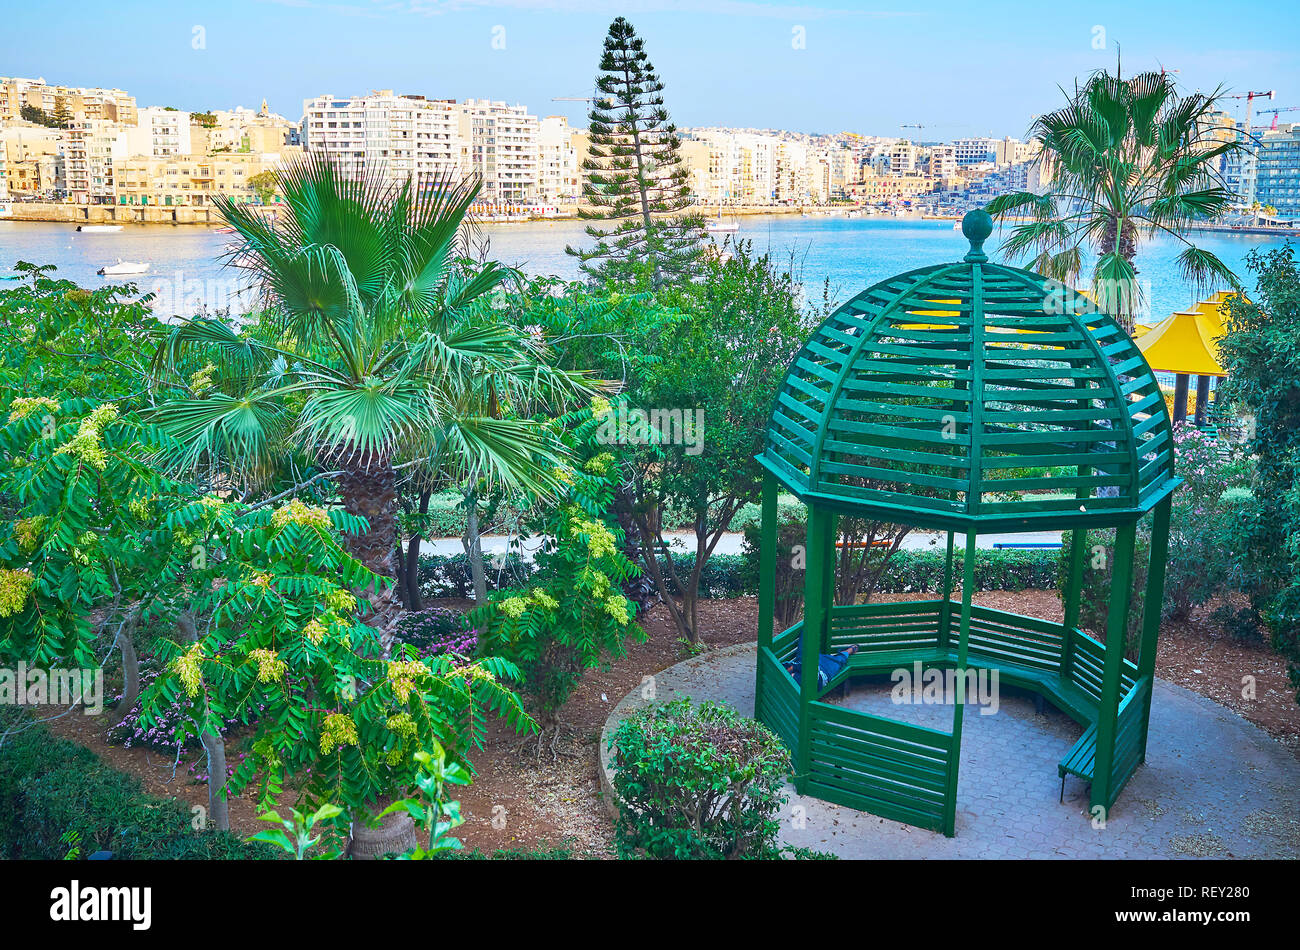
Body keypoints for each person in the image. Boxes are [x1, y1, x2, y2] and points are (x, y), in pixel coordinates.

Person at [784, 641, 860, 691]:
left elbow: (794, 666)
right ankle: (850, 650)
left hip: (812, 661)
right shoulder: (798, 682)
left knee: (838, 660)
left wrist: (794, 668)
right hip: (825, 670)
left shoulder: (788, 669)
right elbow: (818, 684)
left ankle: (850, 650)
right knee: (839, 660)